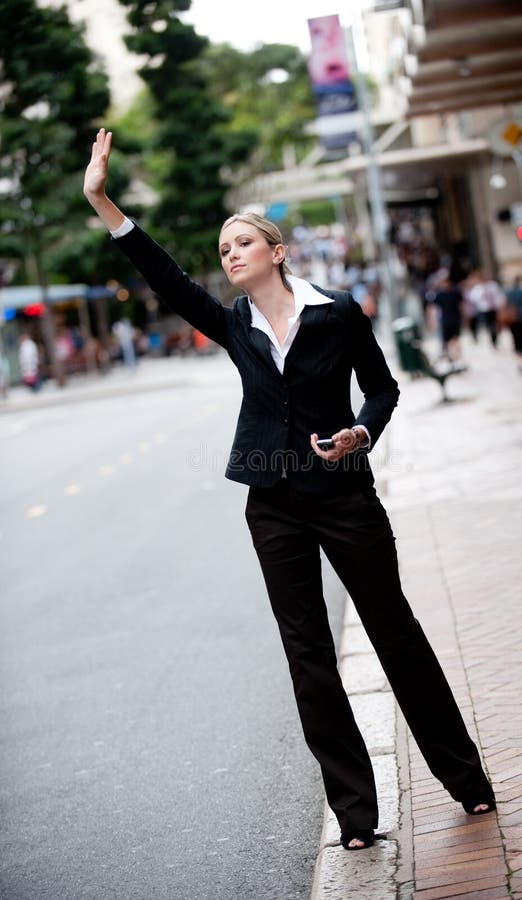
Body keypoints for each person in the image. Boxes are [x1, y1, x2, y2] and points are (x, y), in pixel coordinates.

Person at [84, 129, 495, 851]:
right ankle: (357, 818)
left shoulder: (335, 313)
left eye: (241, 242)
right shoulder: (232, 323)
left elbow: (383, 388)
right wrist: (102, 199)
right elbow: (166, 276)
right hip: (270, 503)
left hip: (342, 495)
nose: (229, 253)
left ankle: (466, 782)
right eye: (222, 249)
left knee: (394, 632)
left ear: (276, 252)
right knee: (306, 655)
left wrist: (358, 435)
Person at [504, 275, 522, 373]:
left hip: (513, 320)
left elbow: (504, 304)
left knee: (516, 340)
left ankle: (520, 362)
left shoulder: (508, 293)